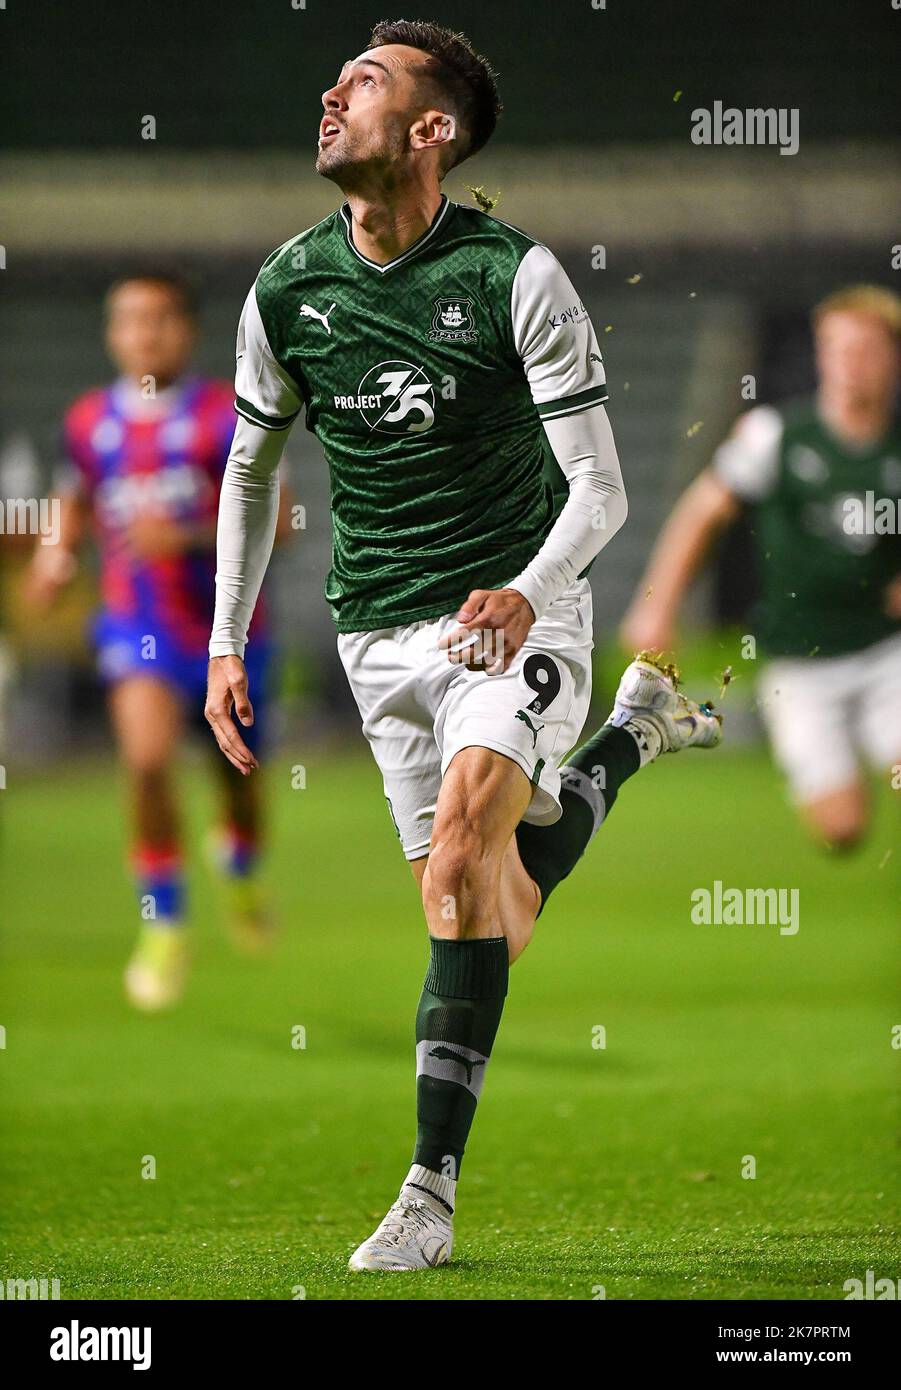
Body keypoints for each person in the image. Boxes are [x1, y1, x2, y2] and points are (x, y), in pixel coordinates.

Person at [205, 19, 721, 1271]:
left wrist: (530, 590)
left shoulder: (515, 276)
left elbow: (599, 491)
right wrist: (225, 641)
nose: (330, 92)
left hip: (512, 614)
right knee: (502, 905)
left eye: (366, 80)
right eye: (336, 75)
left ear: (431, 130)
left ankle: (426, 1196)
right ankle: (629, 742)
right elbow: (247, 469)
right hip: (375, 631)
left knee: (457, 880)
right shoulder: (287, 288)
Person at [26, 272, 287, 1010]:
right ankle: (165, 922)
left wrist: (189, 532)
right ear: (111, 334)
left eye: (160, 319)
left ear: (187, 330)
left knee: (237, 781)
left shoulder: (225, 418)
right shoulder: (88, 423)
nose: (145, 333)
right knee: (144, 761)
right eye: (130, 320)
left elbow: (279, 513)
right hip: (134, 627)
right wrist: (54, 553)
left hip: (226, 635)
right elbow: (73, 496)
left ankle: (239, 863)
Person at [621, 285, 901, 849]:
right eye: (838, 349)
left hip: (885, 652)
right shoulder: (776, 437)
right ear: (821, 356)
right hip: (801, 662)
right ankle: (844, 762)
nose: (851, 364)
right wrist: (656, 607)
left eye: (866, 350)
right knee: (841, 830)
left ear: (892, 358)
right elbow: (702, 513)